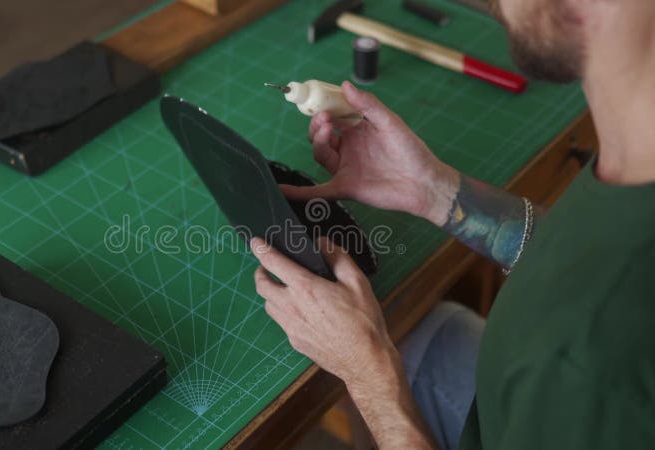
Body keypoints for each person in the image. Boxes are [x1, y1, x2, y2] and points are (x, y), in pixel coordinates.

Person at [249, 0, 655, 448]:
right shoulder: (637, 149)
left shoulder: (583, 365)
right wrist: (434, 190)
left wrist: (369, 374)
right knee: (418, 331)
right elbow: (591, 251)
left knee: (391, 342)